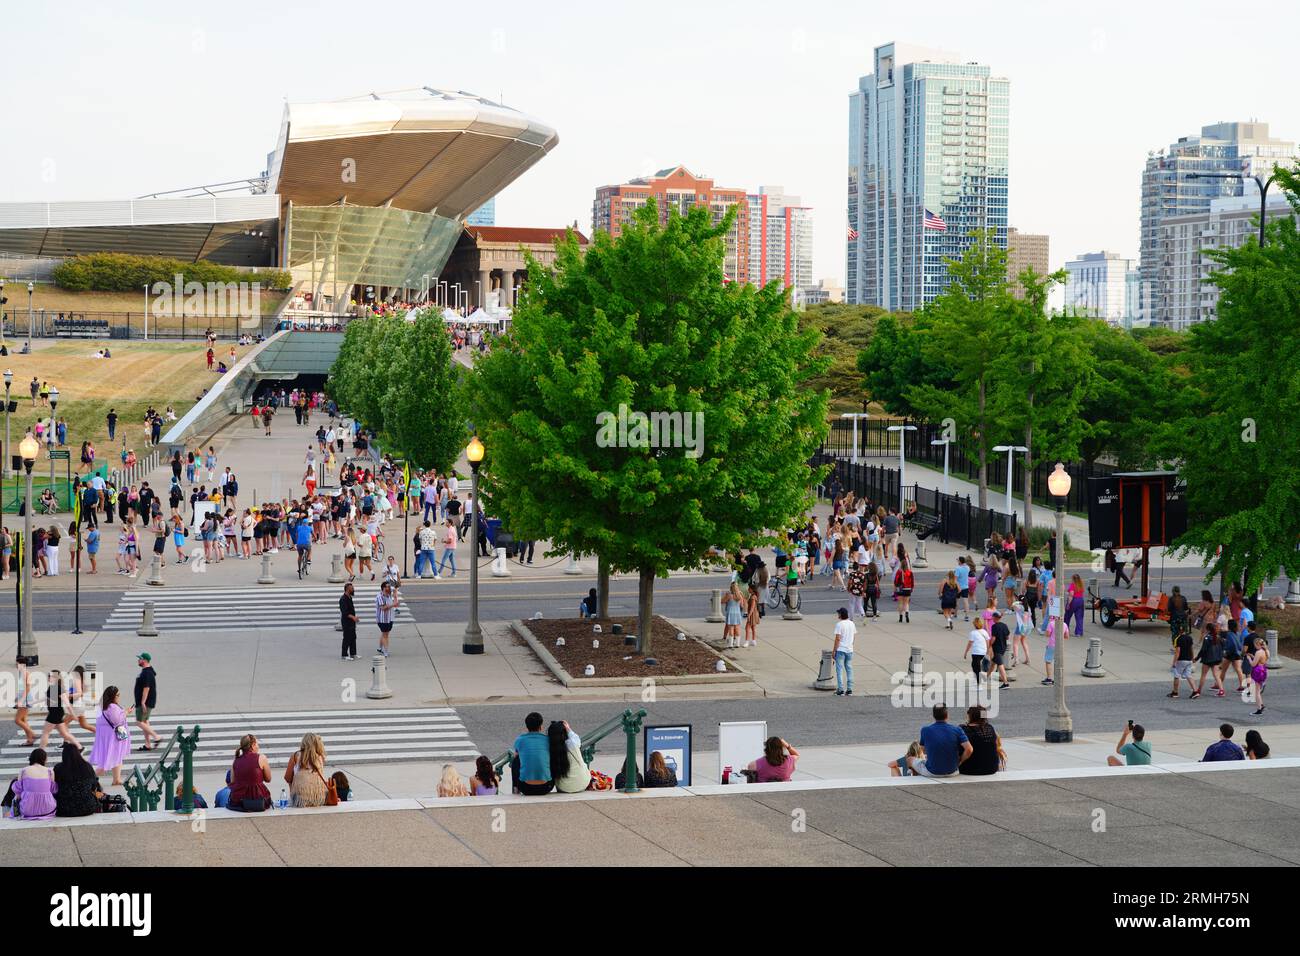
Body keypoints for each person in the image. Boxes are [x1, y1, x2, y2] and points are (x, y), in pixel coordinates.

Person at [906, 705, 972, 778]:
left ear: (933, 716)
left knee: (910, 759)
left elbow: (923, 751)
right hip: (953, 771)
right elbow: (969, 749)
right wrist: (960, 761)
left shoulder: (925, 730)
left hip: (932, 772)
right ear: (947, 715)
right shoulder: (957, 730)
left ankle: (915, 779)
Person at [89, 685, 133, 787]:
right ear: (112, 696)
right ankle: (89, 780)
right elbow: (117, 720)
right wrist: (126, 712)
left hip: (107, 735)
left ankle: (116, 780)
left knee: (117, 756)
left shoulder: (103, 705)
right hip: (113, 736)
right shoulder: (112, 707)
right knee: (106, 762)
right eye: (117, 695)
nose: (119, 697)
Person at [510, 712, 553, 795]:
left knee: (516, 760)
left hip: (525, 788)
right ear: (541, 726)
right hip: (546, 787)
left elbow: (516, 754)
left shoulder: (520, 739)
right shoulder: (548, 740)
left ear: (527, 726)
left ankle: (515, 789)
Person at [226, 734, 273, 811]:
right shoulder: (262, 758)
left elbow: (232, 782)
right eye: (257, 743)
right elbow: (268, 779)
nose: (258, 746)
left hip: (238, 802)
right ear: (253, 745)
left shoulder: (236, 760)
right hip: (258, 800)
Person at [54, 744, 102, 817]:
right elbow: (94, 785)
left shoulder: (58, 768)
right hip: (88, 807)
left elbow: (54, 787)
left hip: (63, 808)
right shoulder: (87, 766)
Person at [284, 732, 329, 807]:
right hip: (319, 798)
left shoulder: (296, 756)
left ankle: (293, 798)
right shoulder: (320, 757)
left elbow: (287, 778)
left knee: (292, 779)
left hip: (299, 799)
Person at [12, 749, 58, 820]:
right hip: (48, 810)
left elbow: (18, 792)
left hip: (27, 810)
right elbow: (53, 790)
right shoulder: (49, 771)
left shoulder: (24, 770)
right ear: (44, 759)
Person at [39, 669, 79, 750]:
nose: (48, 678)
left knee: (45, 733)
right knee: (64, 733)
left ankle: (40, 753)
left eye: (50, 676)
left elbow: (67, 703)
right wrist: (31, 703)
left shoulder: (58, 688)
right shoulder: (53, 687)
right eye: (49, 676)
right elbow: (46, 698)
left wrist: (73, 714)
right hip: (56, 713)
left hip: (55, 713)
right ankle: (79, 747)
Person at [958, 705, 1004, 775]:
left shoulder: (963, 729)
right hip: (991, 769)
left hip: (969, 769)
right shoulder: (990, 728)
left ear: (970, 716)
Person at [549, 720, 591, 793]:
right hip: (583, 783)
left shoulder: (551, 748)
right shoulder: (573, 743)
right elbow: (576, 738)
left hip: (563, 787)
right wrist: (569, 729)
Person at [1191, 622, 1226, 699]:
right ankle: (1221, 690)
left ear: (1208, 629)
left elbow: (1203, 650)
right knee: (1216, 675)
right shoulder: (1219, 638)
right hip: (1216, 659)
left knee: (1203, 675)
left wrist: (1196, 658)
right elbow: (1223, 647)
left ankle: (1199, 690)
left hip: (1207, 659)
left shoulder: (1207, 638)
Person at [832, 606, 855, 696]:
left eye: (838, 613)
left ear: (841, 615)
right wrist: (851, 645)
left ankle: (840, 689)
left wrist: (834, 651)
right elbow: (854, 637)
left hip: (841, 649)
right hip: (849, 650)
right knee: (849, 669)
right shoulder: (852, 624)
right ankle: (849, 689)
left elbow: (837, 639)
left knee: (839, 670)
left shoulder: (839, 624)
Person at [1168, 625, 1195, 698]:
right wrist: (1193, 658)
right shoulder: (1190, 638)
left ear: (1179, 631)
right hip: (1189, 660)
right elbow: (1191, 649)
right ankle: (1195, 691)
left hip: (1181, 660)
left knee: (1176, 676)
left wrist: (1174, 663)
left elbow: (1177, 652)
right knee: (1189, 675)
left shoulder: (1178, 639)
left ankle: (1175, 692)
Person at [1246, 636, 1269, 716]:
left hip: (1258, 671)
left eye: (1254, 645)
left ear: (1256, 644)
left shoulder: (1258, 652)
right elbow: (1262, 659)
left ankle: (1259, 709)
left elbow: (1253, 664)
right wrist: (1253, 656)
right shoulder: (1265, 651)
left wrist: (1249, 658)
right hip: (1263, 669)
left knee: (1257, 692)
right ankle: (1261, 705)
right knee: (1258, 689)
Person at [989, 610, 1011, 689]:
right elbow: (1007, 637)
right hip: (1003, 647)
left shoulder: (994, 626)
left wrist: (989, 645)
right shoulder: (1004, 625)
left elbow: (993, 638)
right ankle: (986, 677)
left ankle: (1005, 683)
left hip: (997, 648)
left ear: (995, 618)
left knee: (1000, 664)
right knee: (993, 663)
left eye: (993, 617)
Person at [965, 616, 990, 686]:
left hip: (976, 652)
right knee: (977, 665)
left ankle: (979, 681)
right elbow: (988, 642)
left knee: (975, 666)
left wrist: (966, 652)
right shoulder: (984, 632)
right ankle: (979, 678)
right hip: (983, 651)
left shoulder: (973, 633)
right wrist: (987, 651)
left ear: (975, 625)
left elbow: (970, 643)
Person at [375, 580, 398, 657]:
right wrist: (393, 604)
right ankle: (385, 651)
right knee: (385, 635)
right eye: (387, 587)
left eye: (389, 587)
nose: (389, 588)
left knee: (385, 633)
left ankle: (380, 648)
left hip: (390, 618)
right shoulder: (380, 596)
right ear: (383, 588)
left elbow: (396, 603)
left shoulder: (389, 595)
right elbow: (383, 608)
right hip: (382, 620)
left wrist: (395, 596)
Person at [339, 582, 359, 661]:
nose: (353, 589)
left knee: (353, 637)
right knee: (347, 638)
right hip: (346, 622)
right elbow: (345, 613)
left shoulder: (349, 597)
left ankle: (353, 653)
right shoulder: (343, 599)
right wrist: (353, 617)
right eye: (352, 588)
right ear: (348, 589)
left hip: (351, 621)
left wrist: (354, 618)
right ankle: (344, 655)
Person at [722, 581, 744, 648]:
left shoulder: (729, 595)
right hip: (737, 613)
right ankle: (737, 643)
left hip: (730, 613)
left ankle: (731, 644)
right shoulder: (740, 594)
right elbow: (742, 605)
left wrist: (725, 596)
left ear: (731, 588)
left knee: (731, 628)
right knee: (737, 628)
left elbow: (722, 601)